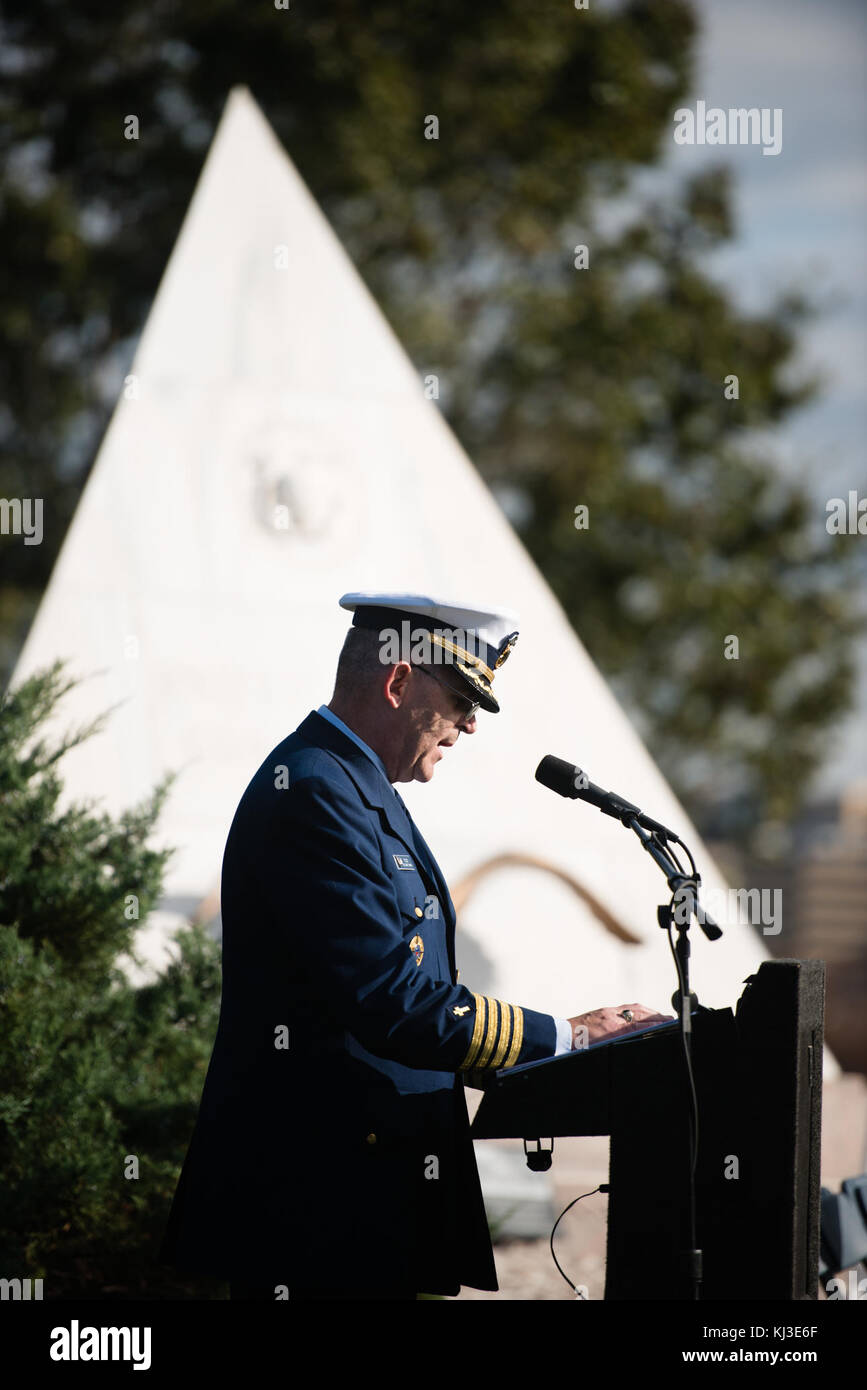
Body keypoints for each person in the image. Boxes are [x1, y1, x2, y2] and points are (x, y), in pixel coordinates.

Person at [158, 592, 671, 1300]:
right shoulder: (316, 794)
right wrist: (571, 1039)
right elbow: (391, 1003)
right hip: (318, 1207)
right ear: (398, 682)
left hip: (362, 1196)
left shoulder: (352, 786)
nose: (467, 725)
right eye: (461, 700)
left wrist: (563, 1053)